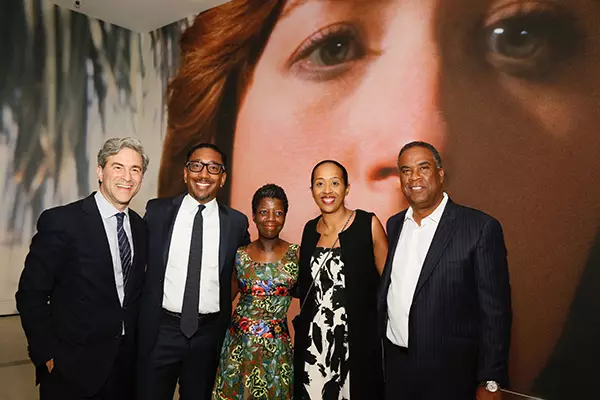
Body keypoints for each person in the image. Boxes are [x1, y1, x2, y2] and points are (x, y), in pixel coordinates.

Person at [160, 0, 600, 396]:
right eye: (332, 47)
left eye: (520, 36)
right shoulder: (310, 234)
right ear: (225, 115)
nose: (425, 121)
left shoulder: (390, 227)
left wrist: (489, 379)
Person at [15, 137, 149, 400]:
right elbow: (31, 295)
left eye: (135, 169)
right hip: (71, 369)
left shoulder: (140, 227)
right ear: (100, 171)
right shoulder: (62, 222)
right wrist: (46, 355)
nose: (127, 177)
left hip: (125, 369)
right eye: (118, 167)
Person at [378, 141, 512, 400]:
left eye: (423, 168)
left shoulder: (479, 228)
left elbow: (495, 311)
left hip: (450, 375)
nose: (414, 177)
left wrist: (491, 379)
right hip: (397, 370)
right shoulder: (394, 225)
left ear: (440, 174)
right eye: (406, 171)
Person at [137, 143, 250, 400]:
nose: (203, 174)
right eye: (196, 166)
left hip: (207, 337)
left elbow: (240, 273)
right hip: (160, 331)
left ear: (222, 178)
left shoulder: (236, 223)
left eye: (213, 168)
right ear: (185, 173)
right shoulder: (156, 212)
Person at [293, 160, 388, 399]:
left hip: (357, 343)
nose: (327, 191)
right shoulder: (309, 230)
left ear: (347, 188)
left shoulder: (368, 224)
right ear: (312, 190)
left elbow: (389, 287)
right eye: (319, 184)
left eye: (335, 183)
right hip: (315, 345)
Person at [212, 183, 298, 399]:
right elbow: (225, 299)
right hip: (239, 347)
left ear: (285, 216)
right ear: (253, 216)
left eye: (278, 213)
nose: (271, 218)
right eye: (263, 212)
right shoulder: (240, 255)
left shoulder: (296, 254)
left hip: (277, 351)